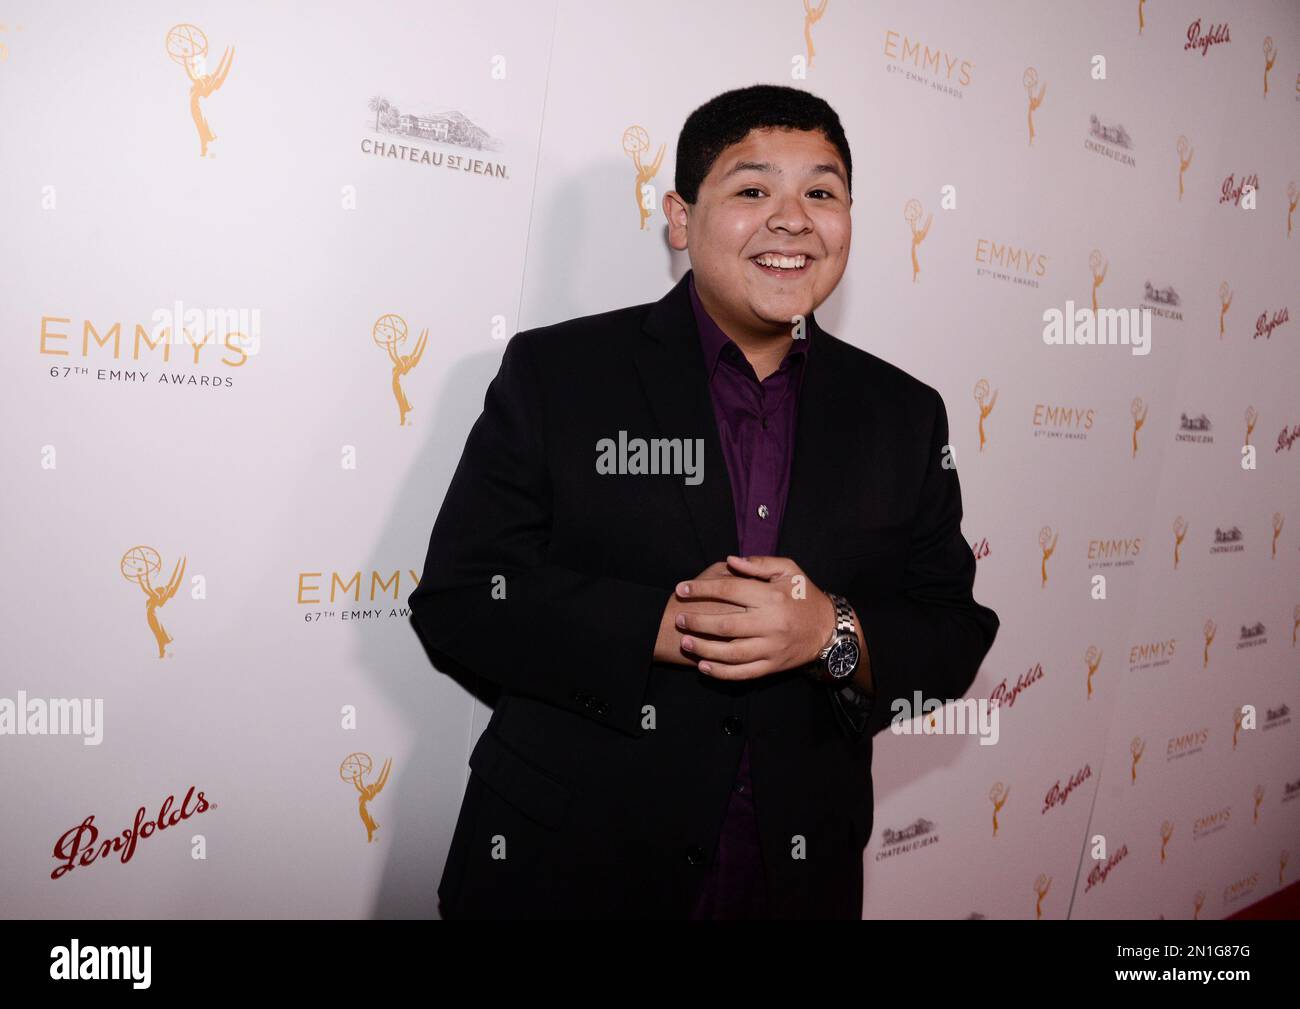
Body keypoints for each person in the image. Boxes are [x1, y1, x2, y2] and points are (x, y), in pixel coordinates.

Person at [408, 84, 999, 919]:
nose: (792, 219)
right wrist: (667, 626)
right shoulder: (560, 375)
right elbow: (462, 599)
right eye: (753, 189)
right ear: (681, 218)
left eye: (821, 193)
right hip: (563, 871)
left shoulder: (903, 413)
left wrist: (827, 632)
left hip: (791, 879)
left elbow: (950, 634)